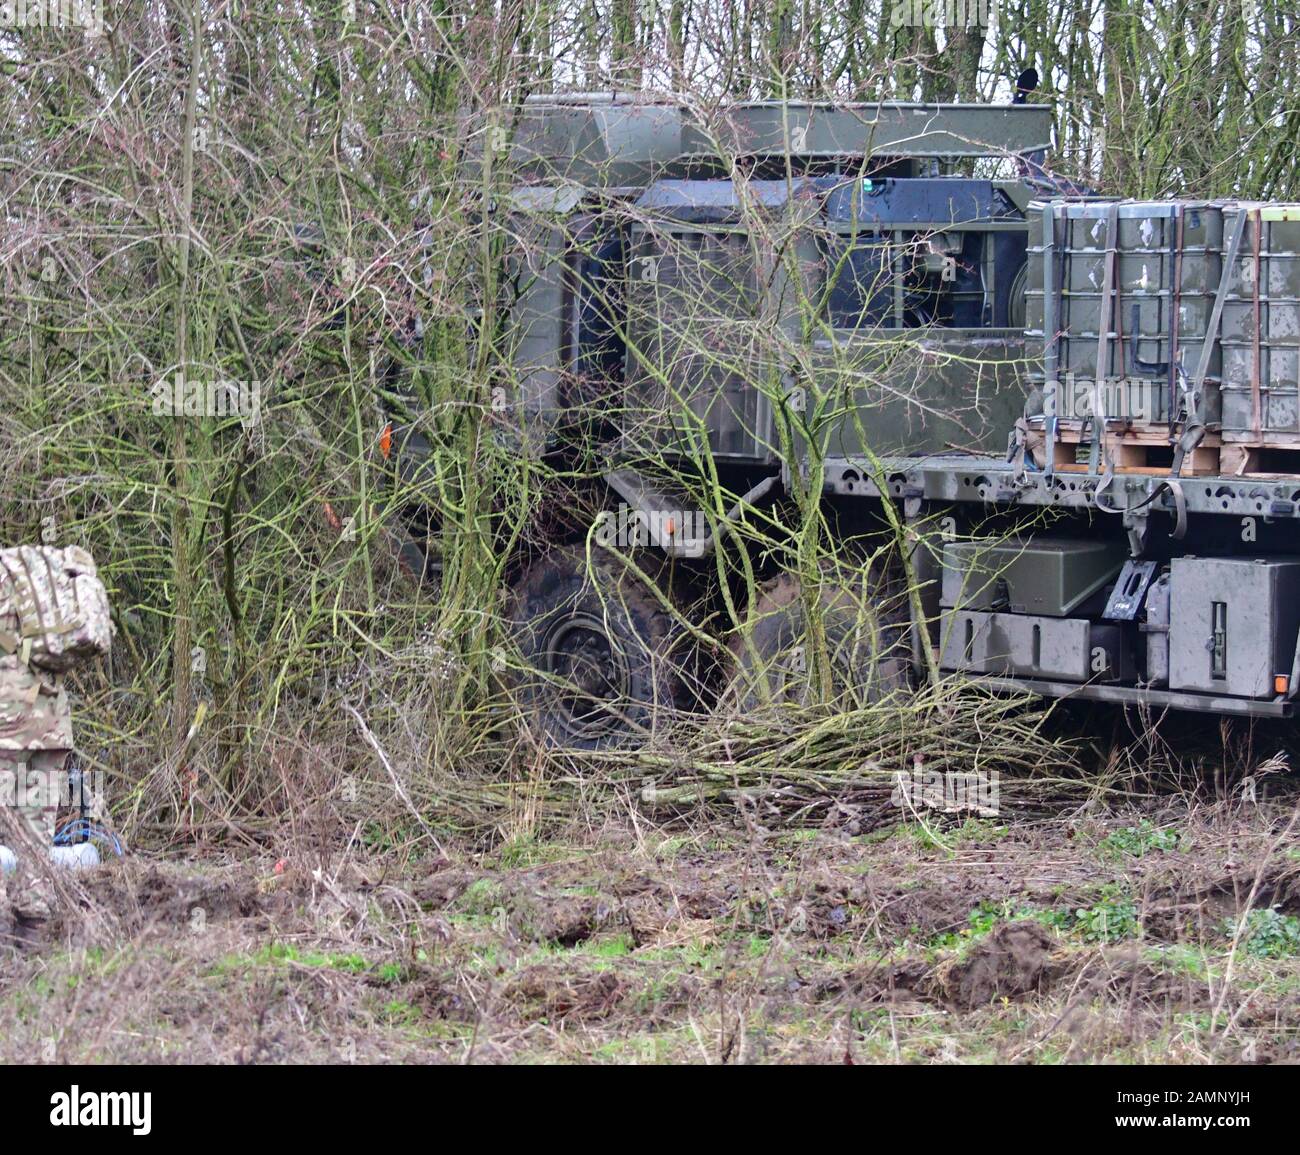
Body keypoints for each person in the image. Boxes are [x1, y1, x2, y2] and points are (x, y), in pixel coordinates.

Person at [0, 545, 112, 878]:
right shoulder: (41, 573)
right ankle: (32, 926)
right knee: (34, 846)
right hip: (51, 725)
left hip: (7, 723)